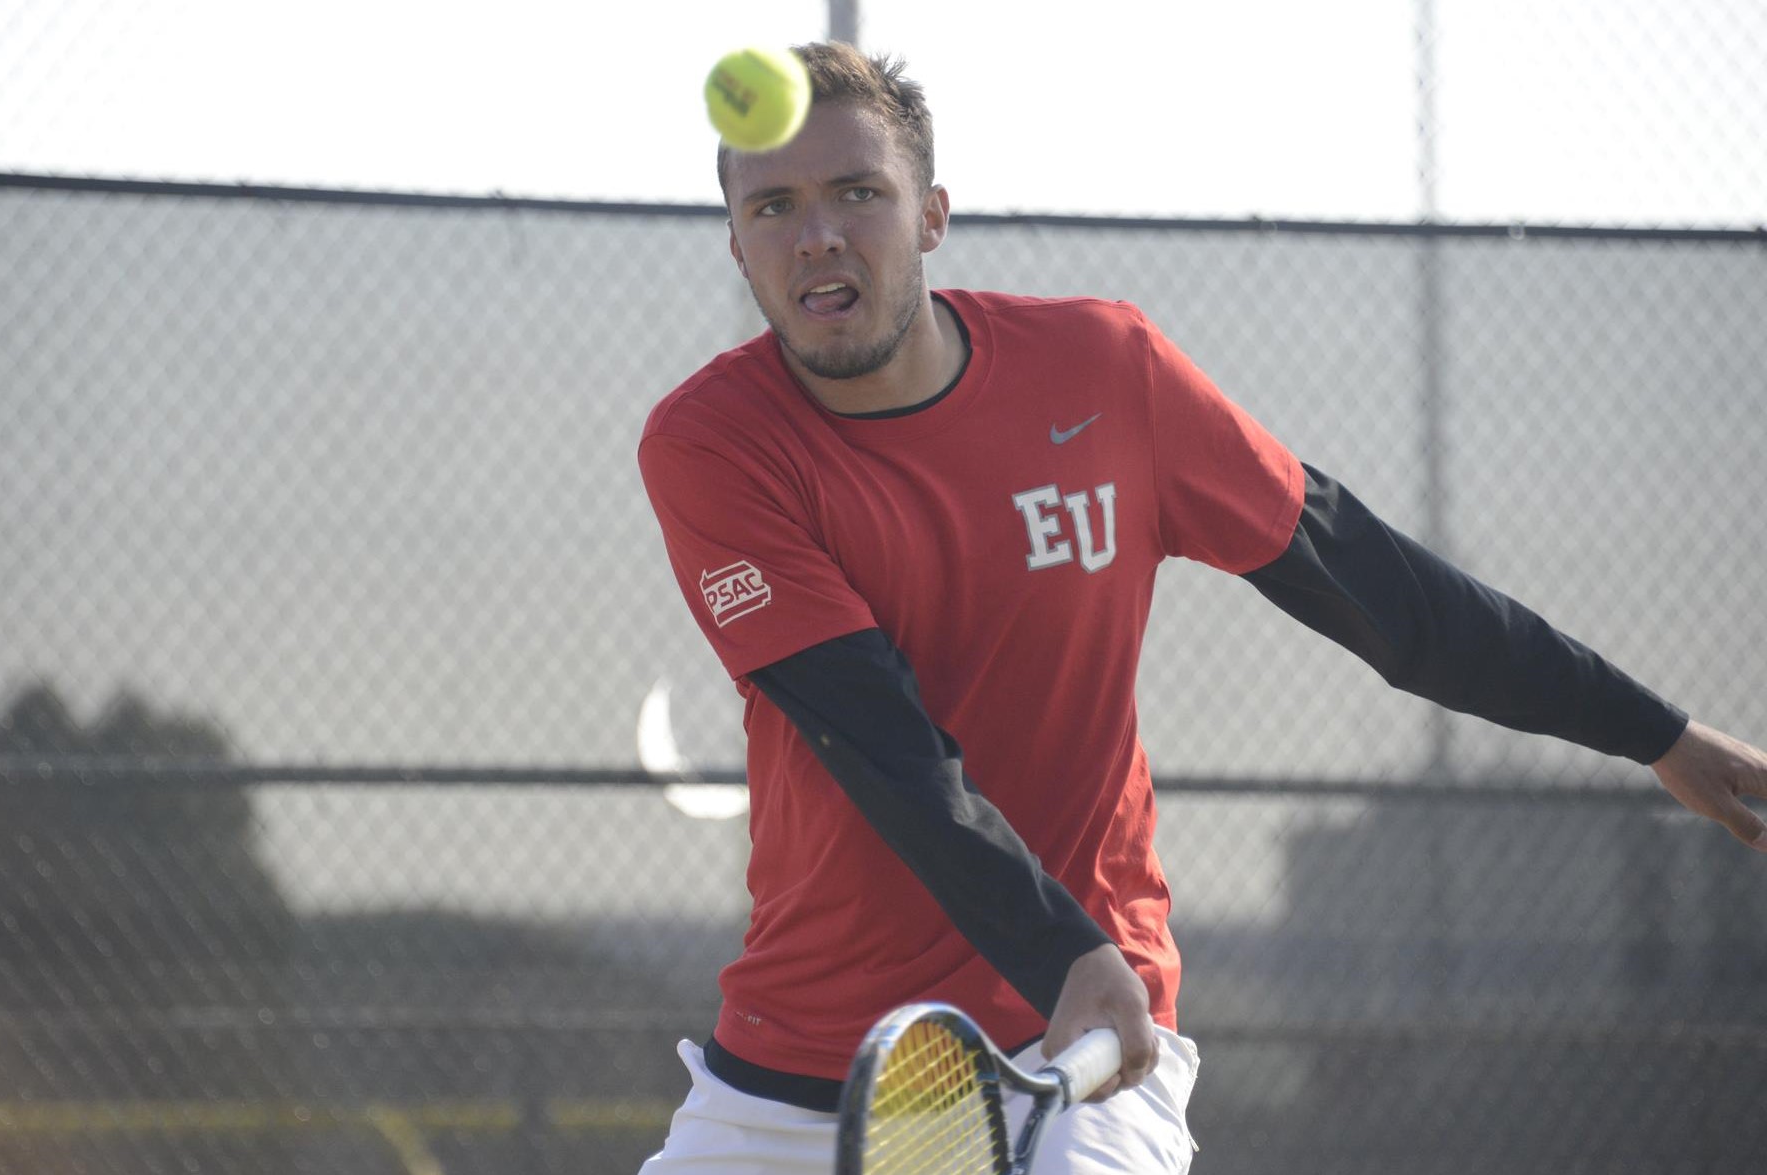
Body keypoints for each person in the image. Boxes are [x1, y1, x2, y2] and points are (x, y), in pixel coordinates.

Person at [633, 41, 1767, 1175]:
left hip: (1076, 1042)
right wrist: (1058, 945)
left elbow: (1376, 587)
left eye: (855, 193)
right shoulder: (711, 443)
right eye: (774, 206)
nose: (817, 232)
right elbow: (875, 737)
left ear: (930, 216)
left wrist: (1651, 730)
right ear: (738, 245)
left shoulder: (1105, 372)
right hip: (798, 1071)